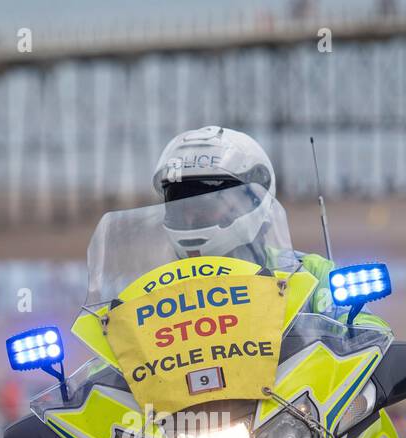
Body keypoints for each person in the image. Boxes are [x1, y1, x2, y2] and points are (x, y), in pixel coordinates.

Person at [151, 126, 387, 330]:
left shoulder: (309, 274)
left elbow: (370, 331)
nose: (191, 213)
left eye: (207, 201)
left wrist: (355, 330)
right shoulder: (153, 291)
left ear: (253, 199)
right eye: (179, 203)